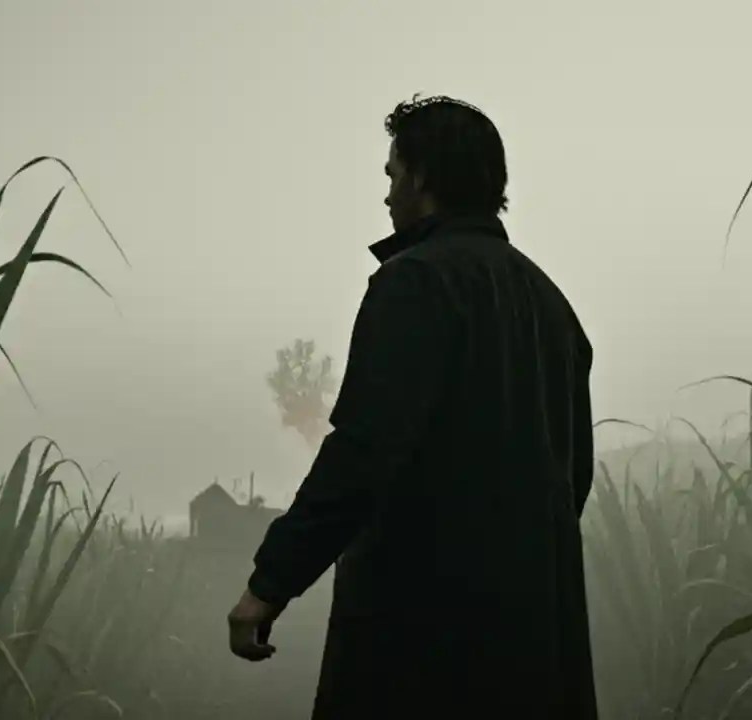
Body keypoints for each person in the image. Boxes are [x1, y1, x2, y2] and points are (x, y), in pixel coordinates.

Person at [227, 94, 598, 719]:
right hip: (536, 649)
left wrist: (270, 585)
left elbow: (362, 451)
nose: (387, 196)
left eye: (393, 174)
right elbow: (573, 479)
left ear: (422, 178)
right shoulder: (553, 308)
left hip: (422, 647)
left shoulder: (415, 282)